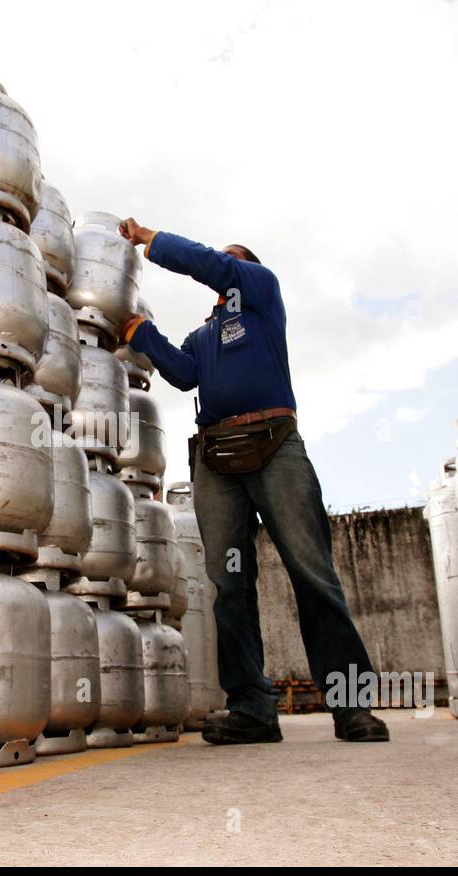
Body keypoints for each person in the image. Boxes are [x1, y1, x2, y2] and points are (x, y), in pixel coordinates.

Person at [117, 218, 390, 745]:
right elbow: (182, 372)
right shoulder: (203, 336)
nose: (228, 272)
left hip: (275, 445)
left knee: (312, 573)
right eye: (229, 265)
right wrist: (140, 333)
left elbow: (215, 267)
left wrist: (154, 241)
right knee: (229, 586)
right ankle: (253, 709)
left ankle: (352, 706)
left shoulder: (262, 298)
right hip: (217, 458)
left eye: (234, 264)